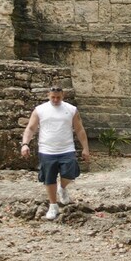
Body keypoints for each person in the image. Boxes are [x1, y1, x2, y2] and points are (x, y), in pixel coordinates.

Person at [20, 85, 90, 220]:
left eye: (58, 97)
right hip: (47, 150)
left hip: (67, 148)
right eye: (53, 97)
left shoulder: (71, 109)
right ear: (48, 96)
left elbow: (80, 129)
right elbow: (30, 128)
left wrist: (85, 148)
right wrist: (25, 144)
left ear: (62, 96)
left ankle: (62, 187)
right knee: (49, 178)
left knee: (70, 173)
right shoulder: (40, 110)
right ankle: (53, 205)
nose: (56, 100)